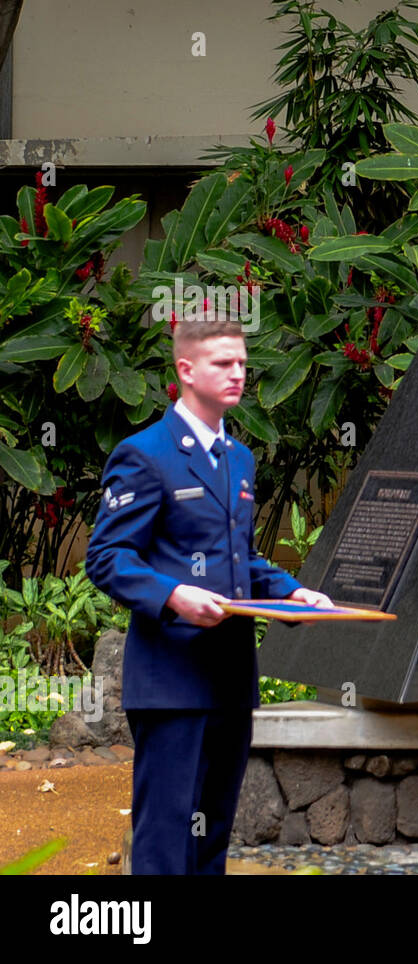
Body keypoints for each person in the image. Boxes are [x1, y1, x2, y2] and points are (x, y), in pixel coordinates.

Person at [85, 313, 332, 875]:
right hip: (173, 682)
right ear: (186, 369)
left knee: (213, 835)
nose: (238, 374)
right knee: (166, 839)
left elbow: (239, 560)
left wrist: (293, 593)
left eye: (243, 363)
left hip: (230, 678)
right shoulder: (145, 454)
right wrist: (173, 595)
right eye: (224, 363)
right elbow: (105, 557)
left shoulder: (238, 458)